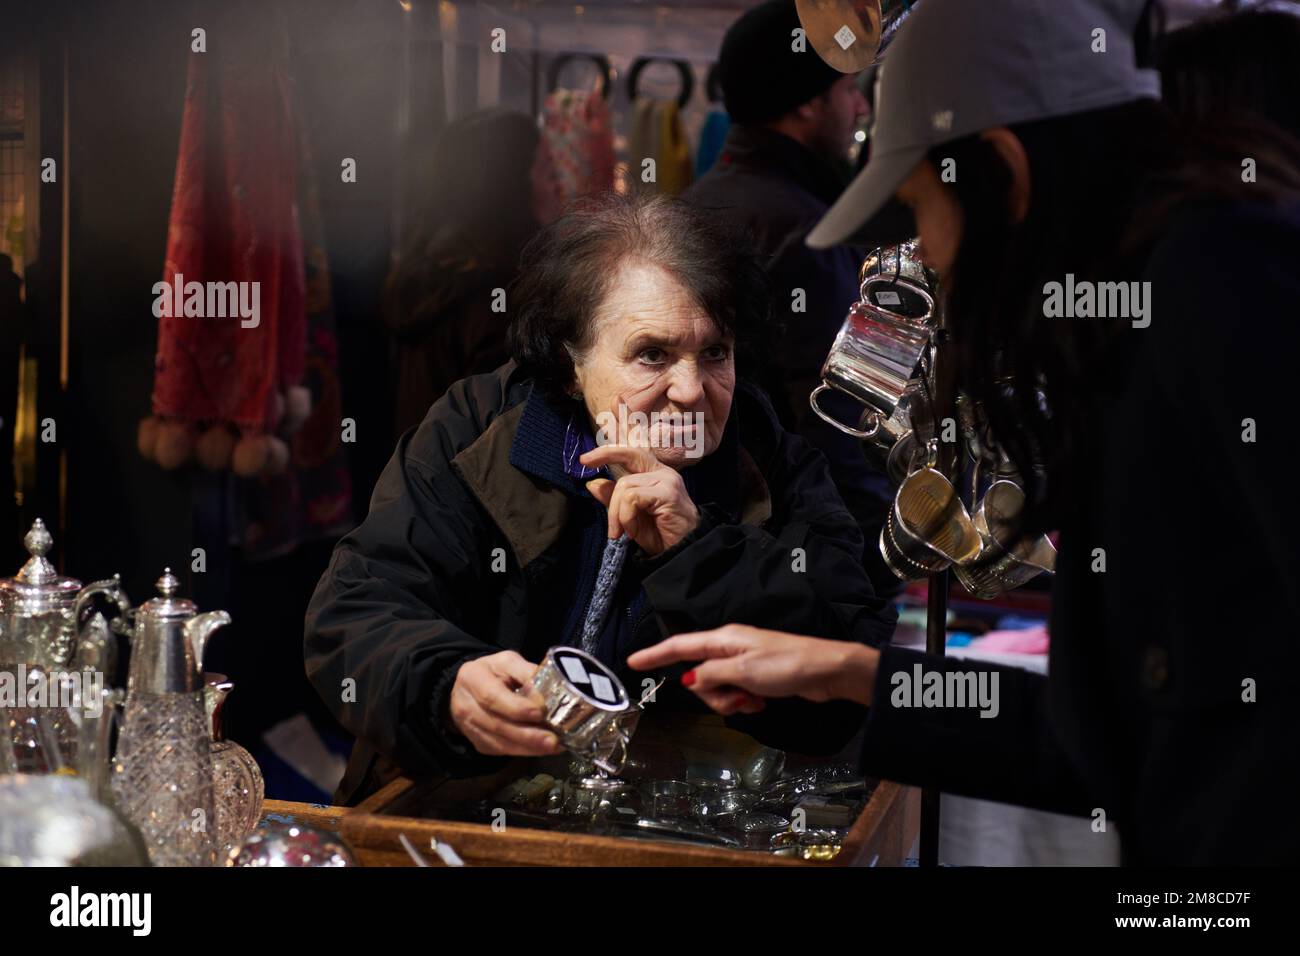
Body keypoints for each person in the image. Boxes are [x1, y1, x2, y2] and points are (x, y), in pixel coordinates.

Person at [630, 0, 1300, 865]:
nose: (931, 255)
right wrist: (851, 679)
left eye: (922, 207)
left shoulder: (1223, 287)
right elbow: (1110, 733)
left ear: (1003, 169)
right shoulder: (1142, 326)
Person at [305, 193, 896, 805]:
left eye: (715, 352)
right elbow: (353, 616)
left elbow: (838, 701)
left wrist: (697, 550)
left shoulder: (776, 465)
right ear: (570, 365)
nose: (691, 391)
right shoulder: (474, 433)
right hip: (463, 811)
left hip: (675, 830)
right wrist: (444, 683)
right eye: (652, 355)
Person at [683, 0, 899, 597]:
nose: (858, 106)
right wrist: (869, 571)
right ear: (808, 101)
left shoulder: (692, 205)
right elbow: (835, 421)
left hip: (712, 543)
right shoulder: (808, 230)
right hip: (799, 565)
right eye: (849, 88)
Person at [381, 109, 556, 440]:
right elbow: (501, 433)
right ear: (510, 190)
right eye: (547, 172)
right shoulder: (499, 298)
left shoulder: (428, 274)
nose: (559, 186)